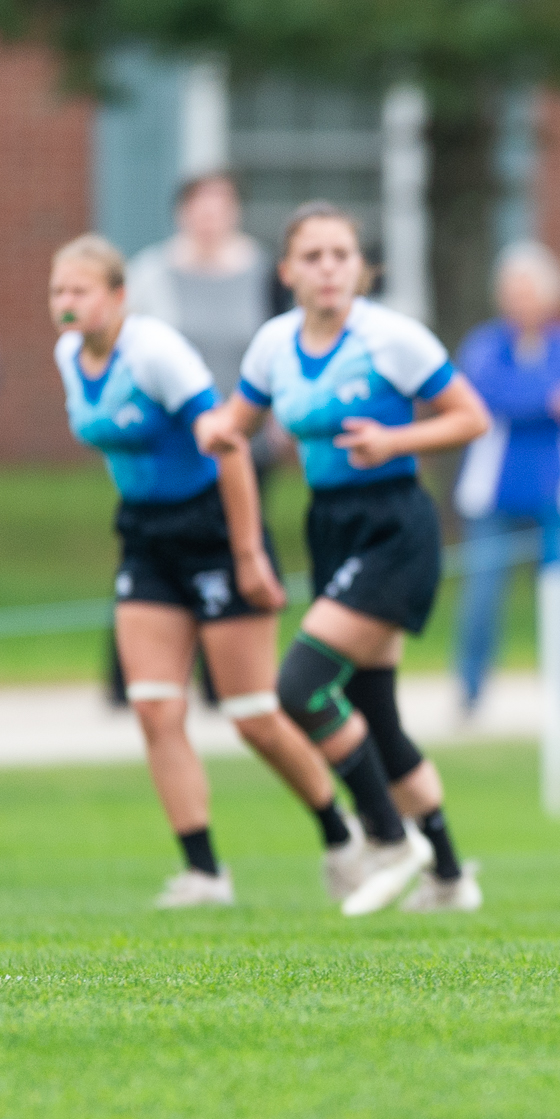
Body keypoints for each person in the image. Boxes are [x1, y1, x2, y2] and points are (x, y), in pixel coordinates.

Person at [199, 201, 492, 917]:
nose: (329, 268)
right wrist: (211, 426)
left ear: (361, 269)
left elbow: (472, 417)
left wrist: (394, 442)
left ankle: (388, 839)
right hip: (329, 526)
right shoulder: (273, 345)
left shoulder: (391, 338)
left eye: (341, 255)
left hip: (396, 525)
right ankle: (451, 877)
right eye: (313, 256)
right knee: (375, 715)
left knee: (299, 686)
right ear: (288, 270)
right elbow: (236, 425)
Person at [50, 233, 359, 907]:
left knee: (252, 715)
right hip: (145, 536)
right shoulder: (70, 355)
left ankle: (343, 834)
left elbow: (231, 448)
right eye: (58, 292)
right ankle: (203, 872)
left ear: (117, 296)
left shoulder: (155, 353)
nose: (65, 304)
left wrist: (248, 554)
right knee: (155, 709)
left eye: (79, 291)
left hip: (215, 529)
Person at [453, 241, 560, 714]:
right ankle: (470, 692)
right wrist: (547, 400)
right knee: (481, 599)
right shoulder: (484, 345)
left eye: (531, 291)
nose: (522, 301)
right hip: (492, 494)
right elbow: (483, 395)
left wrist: (529, 399)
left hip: (557, 490)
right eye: (513, 291)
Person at [126, 172, 281, 475]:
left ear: (235, 214)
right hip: (173, 430)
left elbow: (277, 347)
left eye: (218, 212)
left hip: (247, 430)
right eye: (200, 211)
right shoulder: (150, 274)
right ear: (181, 214)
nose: (209, 221)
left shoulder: (265, 272)